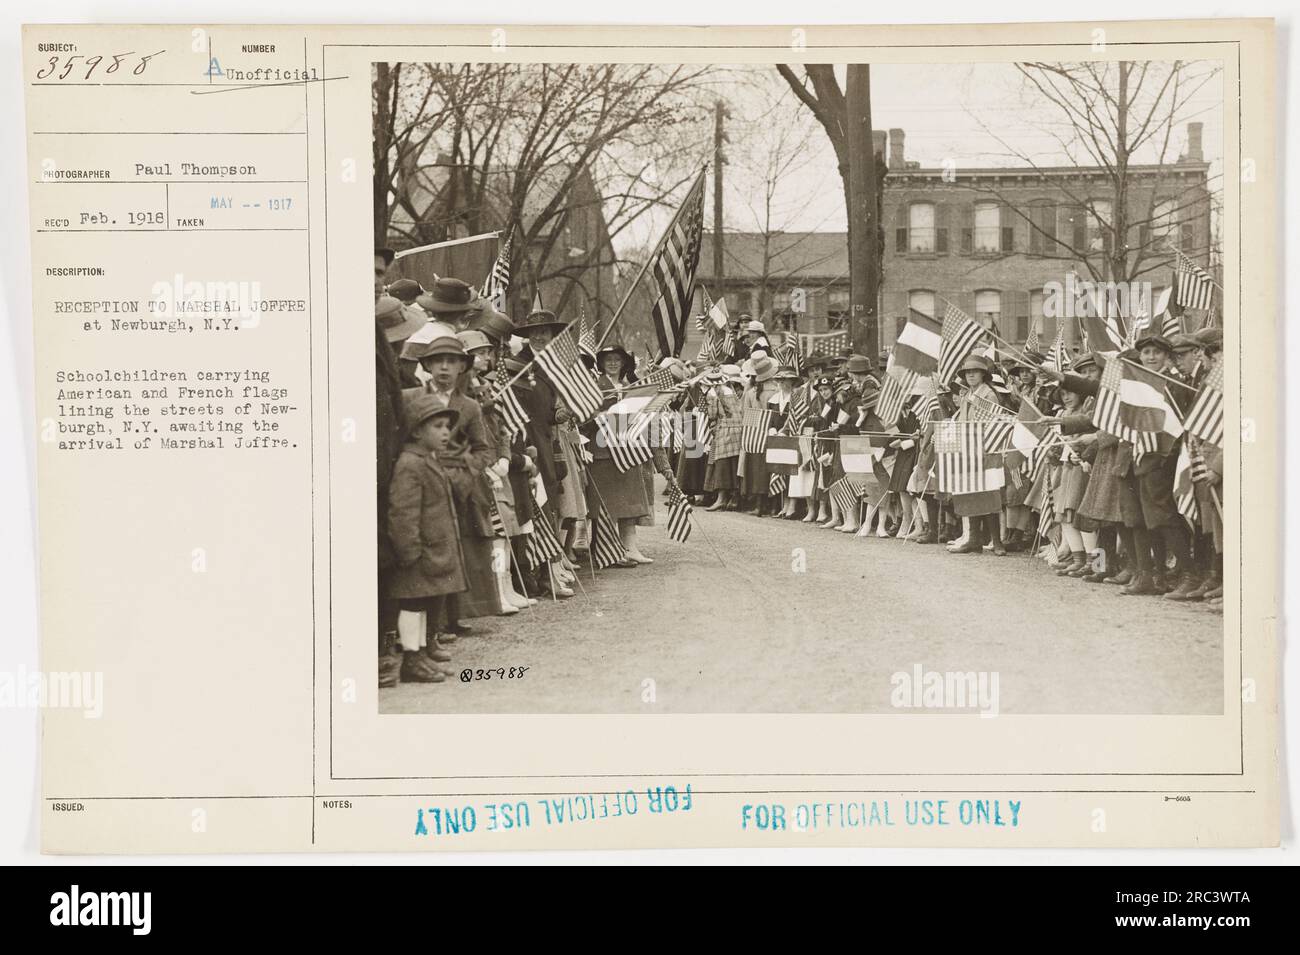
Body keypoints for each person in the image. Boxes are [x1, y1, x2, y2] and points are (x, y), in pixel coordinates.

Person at [402, 335, 502, 628]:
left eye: (451, 362)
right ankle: (432, 625)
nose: (444, 368)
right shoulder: (413, 398)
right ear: (429, 366)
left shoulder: (469, 406)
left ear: (462, 367)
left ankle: (455, 617)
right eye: (437, 362)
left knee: (461, 549)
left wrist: (465, 472)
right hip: (422, 484)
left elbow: (484, 449)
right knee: (429, 550)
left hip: (459, 488)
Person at [387, 397, 467, 685]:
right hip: (417, 553)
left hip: (431, 551)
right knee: (412, 606)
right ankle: (411, 659)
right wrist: (408, 550)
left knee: (420, 605)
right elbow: (402, 512)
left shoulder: (427, 460)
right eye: (438, 426)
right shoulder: (410, 464)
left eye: (447, 426)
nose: (446, 432)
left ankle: (419, 654)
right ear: (417, 431)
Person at [585, 341, 652, 566]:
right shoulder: (595, 385)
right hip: (602, 449)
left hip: (627, 449)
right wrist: (606, 414)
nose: (613, 363)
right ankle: (606, 550)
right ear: (602, 364)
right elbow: (585, 413)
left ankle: (630, 546)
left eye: (617, 360)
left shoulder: (629, 386)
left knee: (630, 501)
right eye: (608, 360)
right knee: (605, 503)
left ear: (623, 363)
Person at [948, 354, 1006, 556]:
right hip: (968, 450)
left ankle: (996, 541)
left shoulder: (987, 395)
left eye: (975, 372)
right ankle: (974, 539)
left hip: (984, 449)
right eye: (968, 373)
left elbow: (992, 424)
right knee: (970, 493)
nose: (971, 375)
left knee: (989, 495)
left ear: (983, 374)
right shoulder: (968, 395)